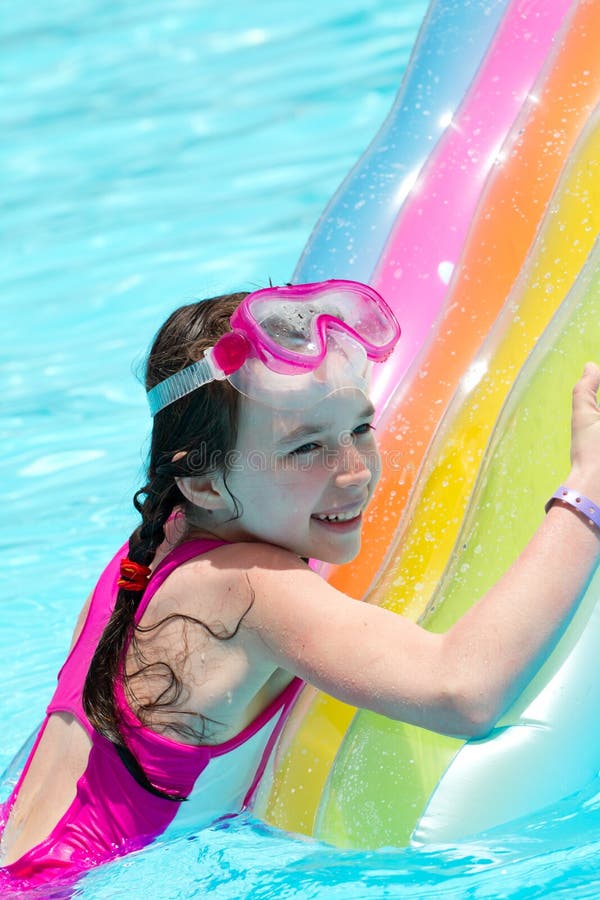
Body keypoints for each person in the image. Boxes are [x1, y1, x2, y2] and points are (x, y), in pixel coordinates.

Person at [1, 279, 599, 888]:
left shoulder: (148, 549)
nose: (355, 471)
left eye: (361, 429)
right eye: (307, 447)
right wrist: (588, 490)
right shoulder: (251, 592)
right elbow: (463, 691)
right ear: (204, 483)